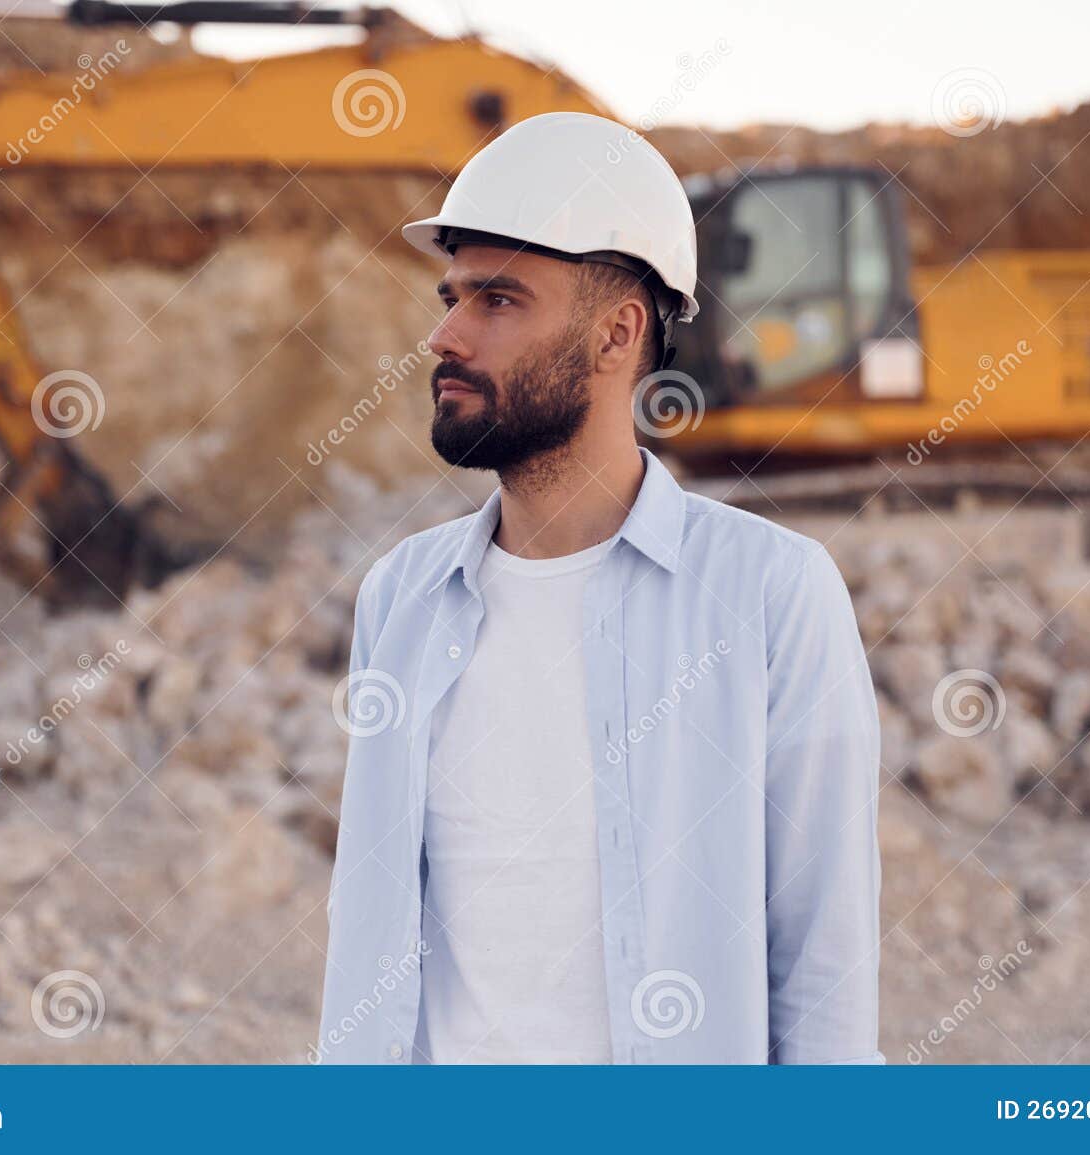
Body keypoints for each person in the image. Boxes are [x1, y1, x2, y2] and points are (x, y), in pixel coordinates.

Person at [316, 112, 882, 1064]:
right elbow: (369, 939)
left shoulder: (770, 595)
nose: (444, 335)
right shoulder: (400, 600)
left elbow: (824, 965)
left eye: (498, 301)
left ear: (617, 334)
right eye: (451, 297)